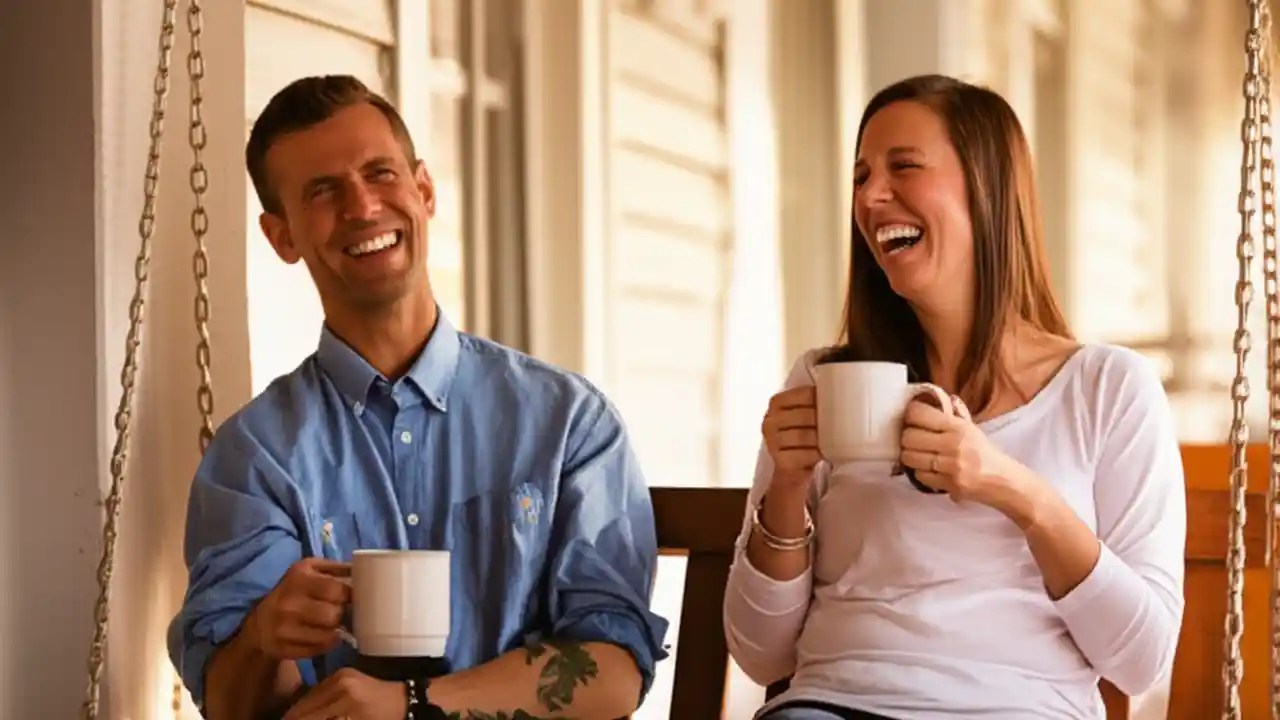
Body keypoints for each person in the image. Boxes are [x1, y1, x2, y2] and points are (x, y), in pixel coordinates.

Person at [166, 74, 668, 720]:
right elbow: (233, 708)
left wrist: (411, 705)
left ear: (424, 191)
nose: (362, 206)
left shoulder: (568, 422)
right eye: (323, 191)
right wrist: (263, 636)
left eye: (380, 173)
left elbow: (614, 672)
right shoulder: (255, 455)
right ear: (281, 235)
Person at [723, 74, 1186, 720]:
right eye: (861, 176)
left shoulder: (1108, 391)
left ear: (987, 192)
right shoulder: (824, 382)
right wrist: (787, 493)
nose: (871, 196)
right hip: (833, 707)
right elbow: (760, 654)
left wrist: (1016, 492)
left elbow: (1140, 660)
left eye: (903, 168)